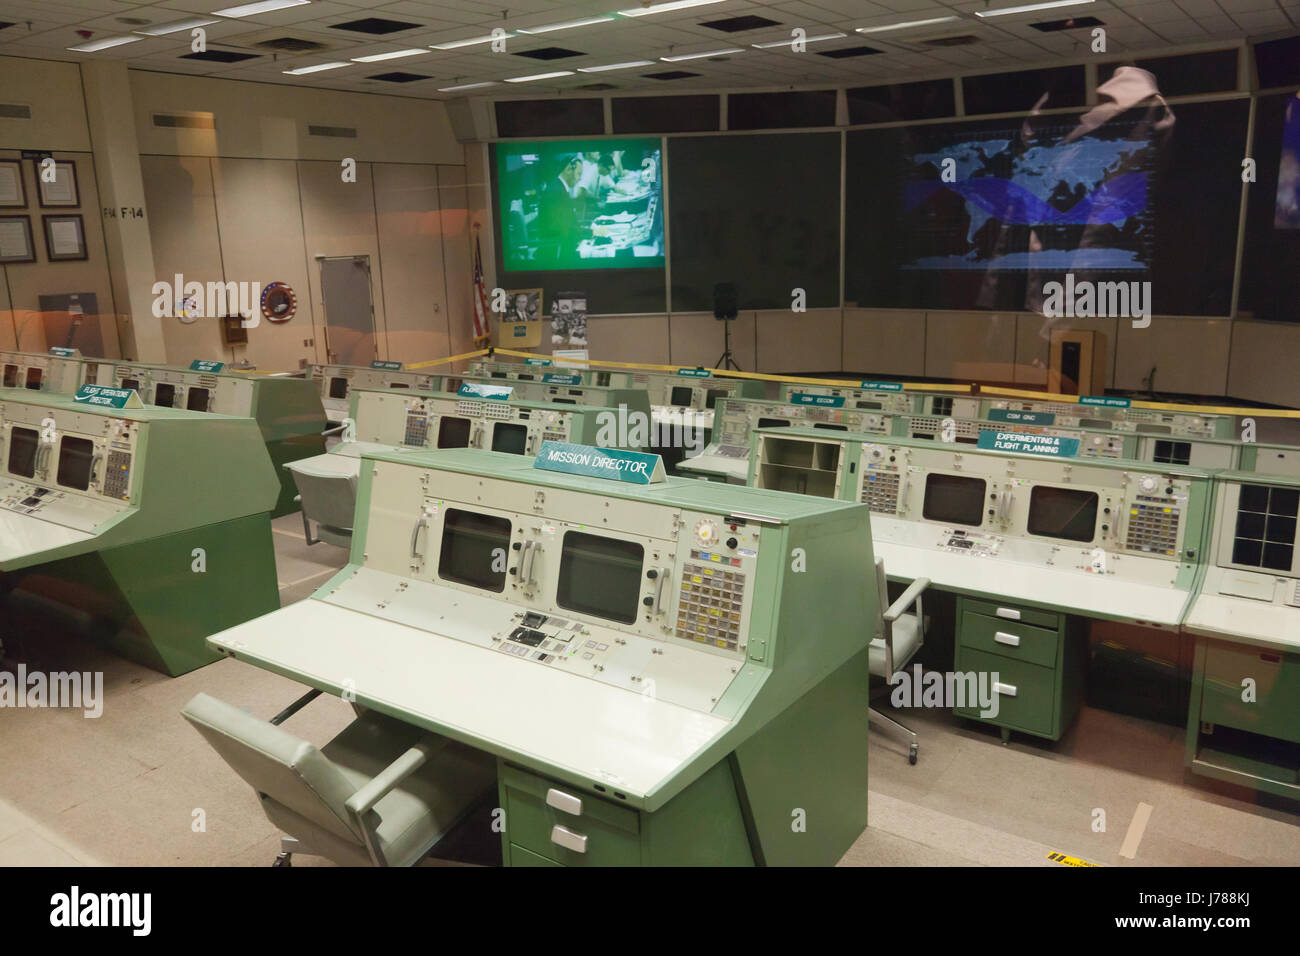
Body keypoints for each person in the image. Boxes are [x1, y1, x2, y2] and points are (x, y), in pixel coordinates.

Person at [536, 155, 582, 257]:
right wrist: (585, 235)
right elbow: (560, 228)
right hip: (556, 253)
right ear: (569, 170)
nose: (580, 179)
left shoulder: (558, 187)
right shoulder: (556, 192)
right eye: (579, 174)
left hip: (561, 246)